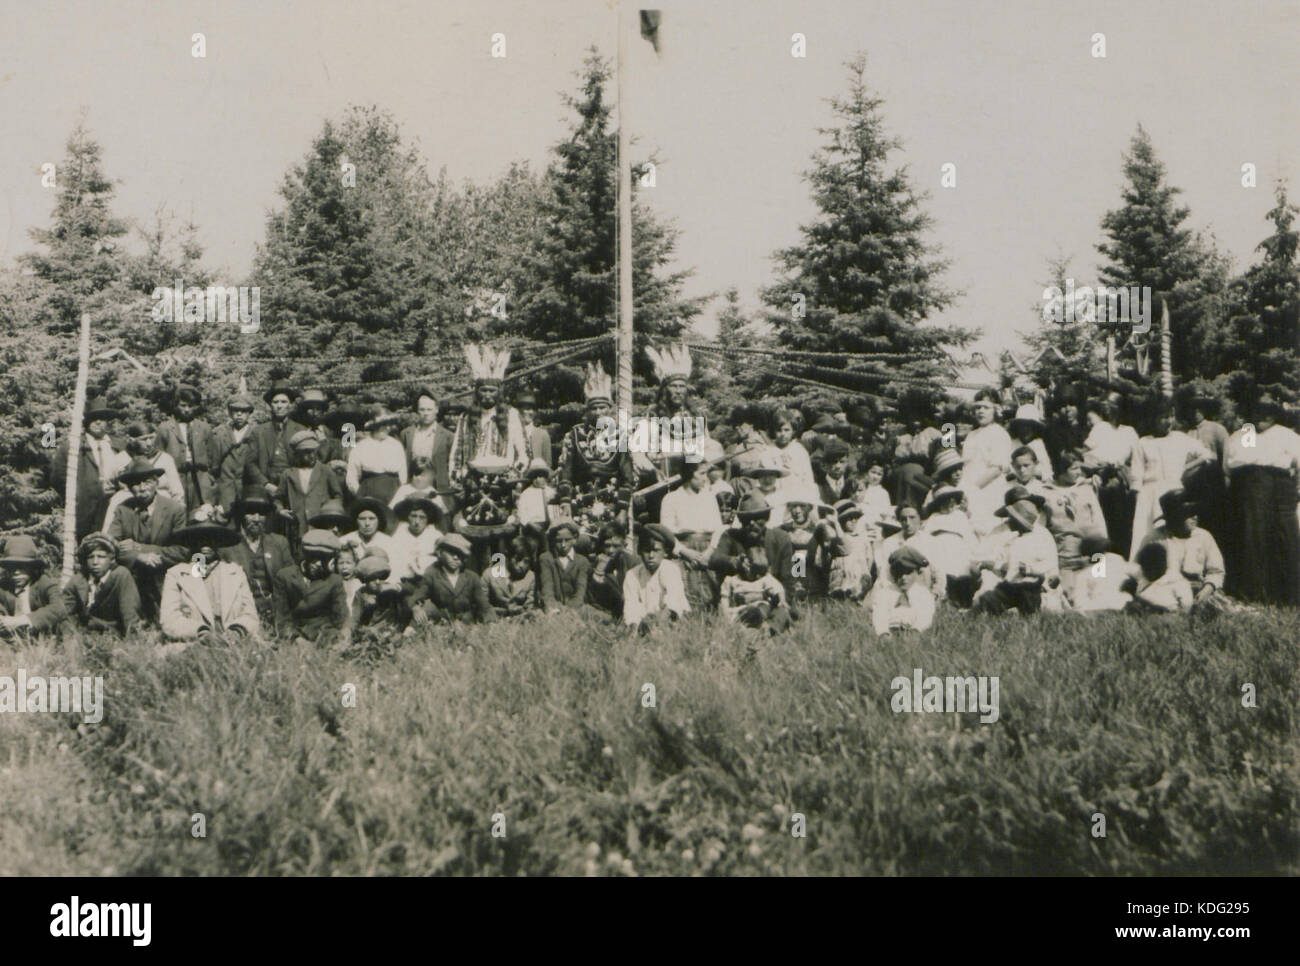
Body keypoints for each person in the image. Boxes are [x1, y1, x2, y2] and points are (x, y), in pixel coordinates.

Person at [1223, 396, 1300, 606]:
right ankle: (1254, 594)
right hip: (1246, 492)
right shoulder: (1241, 435)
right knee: (1251, 540)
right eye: (1257, 411)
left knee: (1283, 538)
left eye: (1267, 412)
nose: (1261, 417)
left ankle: (1288, 596)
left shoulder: (1286, 435)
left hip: (1280, 491)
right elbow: (1228, 469)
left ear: (1274, 414)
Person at [107, 458, 190, 620]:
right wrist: (138, 557)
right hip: (135, 572)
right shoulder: (123, 509)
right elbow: (110, 545)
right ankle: (131, 624)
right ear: (130, 488)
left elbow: (182, 550)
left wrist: (141, 548)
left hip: (165, 572)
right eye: (136, 484)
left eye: (147, 482)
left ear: (156, 483)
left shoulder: (175, 510)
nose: (142, 488)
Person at [1128, 401, 1212, 559]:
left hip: (1175, 494)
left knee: (1174, 534)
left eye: (1171, 416)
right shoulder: (1143, 442)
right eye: (1163, 417)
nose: (1169, 421)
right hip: (1149, 495)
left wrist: (1186, 468)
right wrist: (1139, 502)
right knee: (1146, 533)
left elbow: (1207, 455)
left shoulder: (1181, 439)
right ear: (1153, 419)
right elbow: (1136, 476)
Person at [161, 512, 261, 642]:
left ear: (218, 541)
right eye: (200, 538)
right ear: (192, 541)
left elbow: (250, 615)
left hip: (233, 643)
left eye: (211, 538)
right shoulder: (177, 574)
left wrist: (237, 631)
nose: (206, 544)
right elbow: (169, 619)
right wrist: (201, 632)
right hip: (193, 643)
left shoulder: (235, 573)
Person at [1139, 490, 1232, 617]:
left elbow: (1216, 571)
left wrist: (1207, 589)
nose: (1195, 517)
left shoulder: (1203, 536)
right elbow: (1141, 575)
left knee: (1215, 610)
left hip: (1198, 589)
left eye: (1195, 513)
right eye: (1189, 514)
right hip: (1164, 590)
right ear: (1174, 517)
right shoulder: (1154, 539)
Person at [50, 396, 126, 540]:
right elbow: (58, 477)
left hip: (113, 506)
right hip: (83, 509)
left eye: (102, 418)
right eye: (94, 418)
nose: (98, 422)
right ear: (86, 421)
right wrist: (77, 496)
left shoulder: (118, 446)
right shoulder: (73, 446)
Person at [450, 344, 530, 480]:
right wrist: (457, 476)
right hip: (472, 480)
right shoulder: (465, 418)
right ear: (477, 392)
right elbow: (456, 453)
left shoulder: (511, 415)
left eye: (491, 391)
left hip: (503, 481)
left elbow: (523, 452)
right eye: (484, 390)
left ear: (499, 393)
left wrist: (513, 474)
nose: (487, 395)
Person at [220, 485, 295, 629]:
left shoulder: (279, 543)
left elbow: (291, 581)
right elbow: (199, 571)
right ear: (241, 515)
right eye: (250, 513)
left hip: (276, 614)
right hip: (241, 614)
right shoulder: (227, 545)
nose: (256, 519)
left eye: (261, 514)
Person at [972, 493, 1059, 615]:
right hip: (1009, 585)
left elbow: (1050, 568)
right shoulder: (1013, 539)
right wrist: (998, 566)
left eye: (1012, 519)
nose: (1009, 522)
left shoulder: (1043, 537)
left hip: (1031, 587)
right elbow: (1001, 564)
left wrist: (1032, 572)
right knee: (988, 599)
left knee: (1030, 608)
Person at [557, 362, 636, 492]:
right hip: (581, 495)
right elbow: (567, 471)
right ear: (588, 411)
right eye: (594, 408)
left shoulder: (619, 435)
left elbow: (627, 474)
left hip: (611, 496)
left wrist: (622, 506)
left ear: (609, 410)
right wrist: (566, 498)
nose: (599, 412)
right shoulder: (575, 434)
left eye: (602, 407)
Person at [709, 493, 798, 609]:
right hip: (738, 599)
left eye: (757, 518)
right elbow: (714, 559)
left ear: (767, 518)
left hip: (771, 599)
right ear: (740, 521)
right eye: (746, 520)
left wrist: (780, 601)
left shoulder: (780, 538)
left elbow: (789, 580)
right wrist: (734, 561)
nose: (751, 523)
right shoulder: (731, 536)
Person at [1082, 393, 1140, 555]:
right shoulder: (1100, 428)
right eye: (1107, 404)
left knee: (1122, 522)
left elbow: (1135, 458)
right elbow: (1085, 454)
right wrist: (1096, 467)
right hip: (1099, 476)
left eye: (1113, 404)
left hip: (1121, 479)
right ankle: (1099, 566)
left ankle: (1121, 557)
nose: (1109, 407)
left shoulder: (1129, 432)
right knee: (1100, 524)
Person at [272, 528, 351, 645]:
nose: (318, 564)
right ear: (305, 555)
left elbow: (341, 617)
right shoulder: (285, 576)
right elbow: (282, 617)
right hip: (293, 634)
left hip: (324, 634)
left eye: (324, 559)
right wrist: (297, 640)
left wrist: (344, 637)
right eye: (314, 557)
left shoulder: (334, 580)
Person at [103, 422, 186, 524]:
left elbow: (177, 491)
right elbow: (107, 485)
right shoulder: (120, 459)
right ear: (131, 440)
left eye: (151, 438)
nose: (149, 443)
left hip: (160, 504)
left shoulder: (165, 459)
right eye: (144, 439)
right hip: (129, 504)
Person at [156, 383, 218, 513]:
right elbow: (159, 459)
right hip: (176, 480)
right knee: (177, 514)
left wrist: (209, 480)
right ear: (175, 406)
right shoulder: (165, 428)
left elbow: (213, 458)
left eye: (191, 406)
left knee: (200, 516)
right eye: (183, 406)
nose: (187, 409)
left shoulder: (204, 428)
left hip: (200, 482)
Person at [63, 533, 141, 636]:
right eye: (91, 557)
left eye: (101, 556)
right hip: (84, 636)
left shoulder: (120, 575)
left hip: (113, 637)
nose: (95, 562)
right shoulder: (78, 580)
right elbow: (65, 613)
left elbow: (130, 615)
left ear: (111, 560)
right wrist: (72, 637)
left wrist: (132, 642)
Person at [407, 533, 494, 626]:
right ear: (440, 553)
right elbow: (417, 596)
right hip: (441, 620)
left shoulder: (472, 577)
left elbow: (484, 605)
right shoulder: (432, 574)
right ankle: (409, 634)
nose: (455, 557)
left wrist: (491, 623)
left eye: (460, 554)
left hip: (466, 623)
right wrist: (416, 608)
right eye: (451, 552)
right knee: (423, 612)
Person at [961, 390, 1015, 535]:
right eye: (978, 408)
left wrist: (972, 489)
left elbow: (997, 469)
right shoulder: (971, 435)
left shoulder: (999, 433)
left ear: (995, 410)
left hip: (989, 490)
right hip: (969, 488)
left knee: (986, 529)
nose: (981, 411)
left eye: (986, 408)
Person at [623, 524, 690, 631]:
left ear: (665, 552)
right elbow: (630, 606)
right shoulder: (632, 574)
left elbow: (673, 601)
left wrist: (658, 624)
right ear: (640, 551)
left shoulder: (670, 569)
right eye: (646, 550)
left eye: (656, 550)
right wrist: (634, 628)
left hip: (672, 619)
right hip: (646, 623)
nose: (651, 556)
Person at [247, 383, 307, 501]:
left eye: (284, 402)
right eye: (275, 402)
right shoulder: (258, 432)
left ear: (291, 405)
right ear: (270, 406)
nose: (279, 406)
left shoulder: (301, 430)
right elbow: (250, 463)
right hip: (266, 489)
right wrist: (265, 484)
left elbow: (306, 463)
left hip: (294, 487)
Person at [0, 536, 67, 637]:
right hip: (12, 640)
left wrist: (22, 620)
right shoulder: (4, 586)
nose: (16, 572)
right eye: (12, 567)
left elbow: (59, 608)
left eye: (22, 567)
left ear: (32, 567)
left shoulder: (45, 583)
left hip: (45, 638)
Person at [346, 406, 408, 508]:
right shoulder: (361, 447)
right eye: (383, 425)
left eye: (389, 425)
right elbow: (352, 477)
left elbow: (403, 476)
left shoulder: (396, 445)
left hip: (394, 495)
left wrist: (399, 498)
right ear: (374, 426)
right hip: (368, 495)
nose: (387, 428)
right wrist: (362, 496)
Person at [720, 546, 790, 633]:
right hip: (744, 612)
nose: (758, 576)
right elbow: (725, 606)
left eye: (760, 573)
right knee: (754, 611)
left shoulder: (764, 578)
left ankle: (769, 629)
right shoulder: (731, 580)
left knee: (782, 611)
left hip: (764, 611)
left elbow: (778, 588)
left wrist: (782, 600)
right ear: (746, 566)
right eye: (755, 572)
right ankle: (756, 630)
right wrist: (729, 619)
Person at [210, 387, 257, 517]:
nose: (239, 414)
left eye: (243, 411)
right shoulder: (220, 433)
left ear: (249, 413)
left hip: (248, 489)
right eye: (235, 411)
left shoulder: (257, 433)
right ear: (230, 413)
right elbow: (214, 466)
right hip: (225, 490)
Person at [870, 545, 936, 636]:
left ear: (917, 573)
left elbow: (925, 616)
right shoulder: (884, 593)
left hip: (914, 632)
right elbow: (880, 615)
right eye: (899, 573)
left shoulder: (923, 594)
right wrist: (883, 633)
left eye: (908, 573)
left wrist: (916, 630)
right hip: (889, 632)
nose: (903, 578)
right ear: (893, 573)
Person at [659, 459, 724, 539]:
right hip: (683, 545)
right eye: (702, 473)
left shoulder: (710, 497)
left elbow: (718, 527)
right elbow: (666, 530)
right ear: (689, 473)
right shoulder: (670, 499)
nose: (706, 478)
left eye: (706, 474)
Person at [537, 521, 591, 613]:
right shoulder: (546, 558)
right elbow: (547, 589)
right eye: (559, 541)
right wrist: (553, 608)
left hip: (577, 608)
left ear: (574, 539)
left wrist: (569, 611)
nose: (563, 545)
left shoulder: (582, 561)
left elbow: (580, 593)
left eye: (567, 540)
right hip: (554, 608)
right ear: (553, 540)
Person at [1069, 535, 1133, 613]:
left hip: (1098, 610)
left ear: (1086, 557)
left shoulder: (1084, 575)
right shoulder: (1121, 563)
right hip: (1125, 607)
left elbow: (1080, 604)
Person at [1126, 542, 1193, 614]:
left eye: (1151, 569)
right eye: (1145, 569)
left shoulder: (1175, 580)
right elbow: (1128, 570)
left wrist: (1180, 612)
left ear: (1162, 566)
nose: (1148, 573)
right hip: (1145, 608)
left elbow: (1187, 603)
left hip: (1169, 610)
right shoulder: (1143, 575)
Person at [388, 493, 442, 584]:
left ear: (428, 519)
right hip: (402, 580)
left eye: (422, 517)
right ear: (407, 517)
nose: (417, 522)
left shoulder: (435, 536)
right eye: (413, 516)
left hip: (429, 581)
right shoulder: (398, 535)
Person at [829, 500, 873, 601]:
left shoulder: (863, 538)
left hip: (859, 573)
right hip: (842, 574)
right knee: (840, 598)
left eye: (856, 518)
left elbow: (869, 558)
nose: (853, 521)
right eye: (849, 518)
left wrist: (866, 571)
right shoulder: (837, 538)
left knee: (858, 597)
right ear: (841, 521)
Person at [486, 535, 538, 618]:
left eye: (526, 561)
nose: (521, 565)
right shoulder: (490, 574)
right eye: (518, 559)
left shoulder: (530, 576)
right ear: (508, 557)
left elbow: (529, 606)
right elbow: (483, 605)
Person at [400, 389, 441, 478]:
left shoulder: (448, 436)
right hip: (413, 483)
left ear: (436, 410)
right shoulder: (406, 434)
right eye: (422, 410)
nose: (426, 413)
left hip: (438, 486)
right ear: (417, 411)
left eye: (429, 410)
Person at [342, 499, 397, 564]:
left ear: (379, 521)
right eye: (362, 519)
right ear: (356, 521)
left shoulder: (390, 543)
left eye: (372, 519)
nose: (367, 523)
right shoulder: (344, 540)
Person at [770, 409, 815, 488]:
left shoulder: (800, 451)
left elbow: (808, 479)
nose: (783, 434)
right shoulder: (768, 451)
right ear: (774, 431)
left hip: (796, 494)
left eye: (786, 430)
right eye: (779, 430)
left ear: (793, 431)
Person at [1008, 404, 1053, 483]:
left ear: (1035, 428)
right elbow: (1007, 468)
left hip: (1036, 483)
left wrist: (1033, 472)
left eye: (1029, 426)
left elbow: (1047, 472)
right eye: (1022, 426)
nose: (1025, 430)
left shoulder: (1039, 445)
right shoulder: (1012, 444)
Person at [515, 391, 552, 469]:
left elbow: (547, 464)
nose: (531, 412)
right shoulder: (512, 432)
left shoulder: (542, 434)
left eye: (533, 409)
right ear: (518, 410)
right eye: (527, 409)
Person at [517, 458, 557, 530]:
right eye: (535, 477)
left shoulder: (551, 492)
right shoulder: (526, 494)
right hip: (533, 526)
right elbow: (521, 513)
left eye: (540, 476)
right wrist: (530, 524)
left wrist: (553, 525)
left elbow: (556, 511)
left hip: (551, 525)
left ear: (545, 477)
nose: (537, 479)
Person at [813, 438, 855, 505]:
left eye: (842, 462)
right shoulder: (817, 487)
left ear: (847, 462)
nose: (838, 466)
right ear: (825, 464)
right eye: (834, 462)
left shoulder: (853, 485)